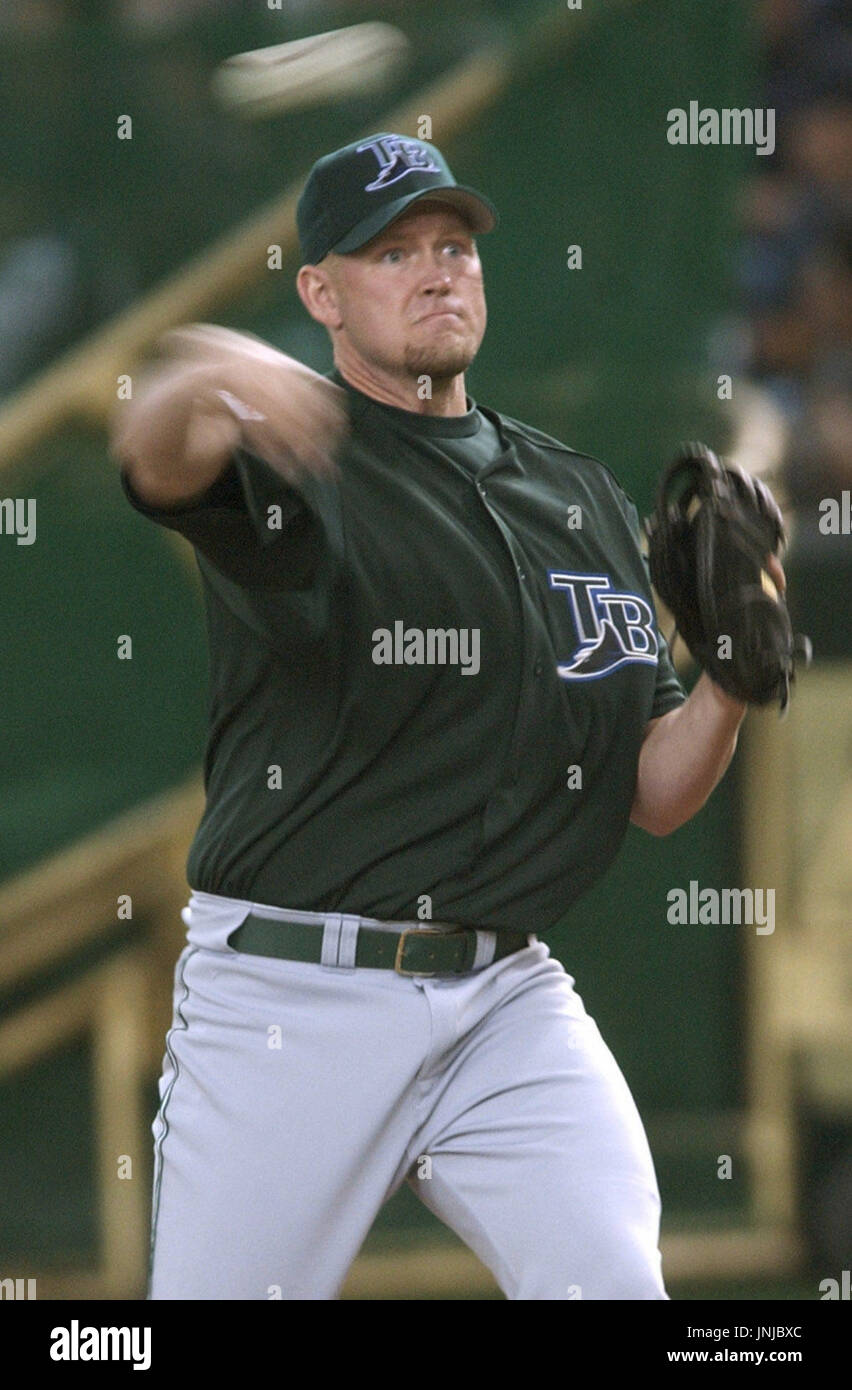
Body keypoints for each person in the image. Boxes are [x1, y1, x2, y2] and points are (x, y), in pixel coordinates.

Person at [113, 133, 774, 1300]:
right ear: (320, 291)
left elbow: (655, 794)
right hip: (290, 997)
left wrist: (728, 678)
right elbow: (154, 455)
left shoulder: (574, 495)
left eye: (454, 246)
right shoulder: (298, 455)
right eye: (391, 252)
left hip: (503, 1000)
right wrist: (211, 371)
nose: (437, 271)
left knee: (615, 1285)